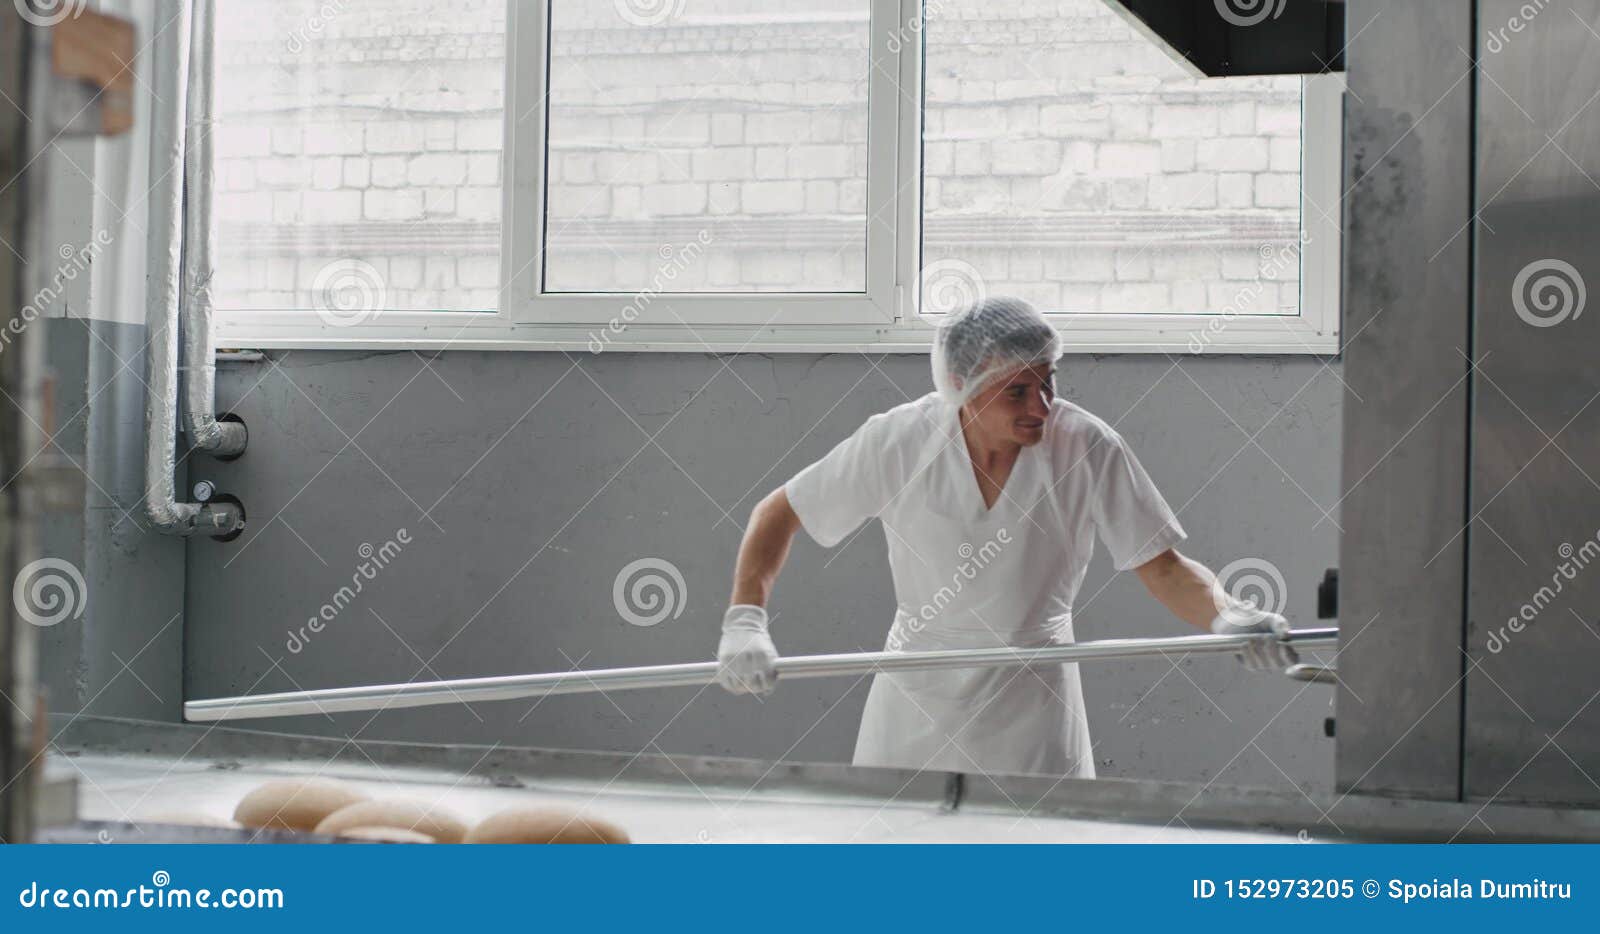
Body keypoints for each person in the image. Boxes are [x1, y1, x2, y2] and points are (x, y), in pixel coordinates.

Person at [714, 296, 1296, 778]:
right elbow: (779, 512)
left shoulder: (1085, 446)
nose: (1040, 407)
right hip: (918, 699)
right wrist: (746, 620)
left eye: (1047, 383)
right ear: (962, 385)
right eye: (1016, 391)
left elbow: (1163, 566)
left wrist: (1227, 613)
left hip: (1035, 705)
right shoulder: (899, 440)